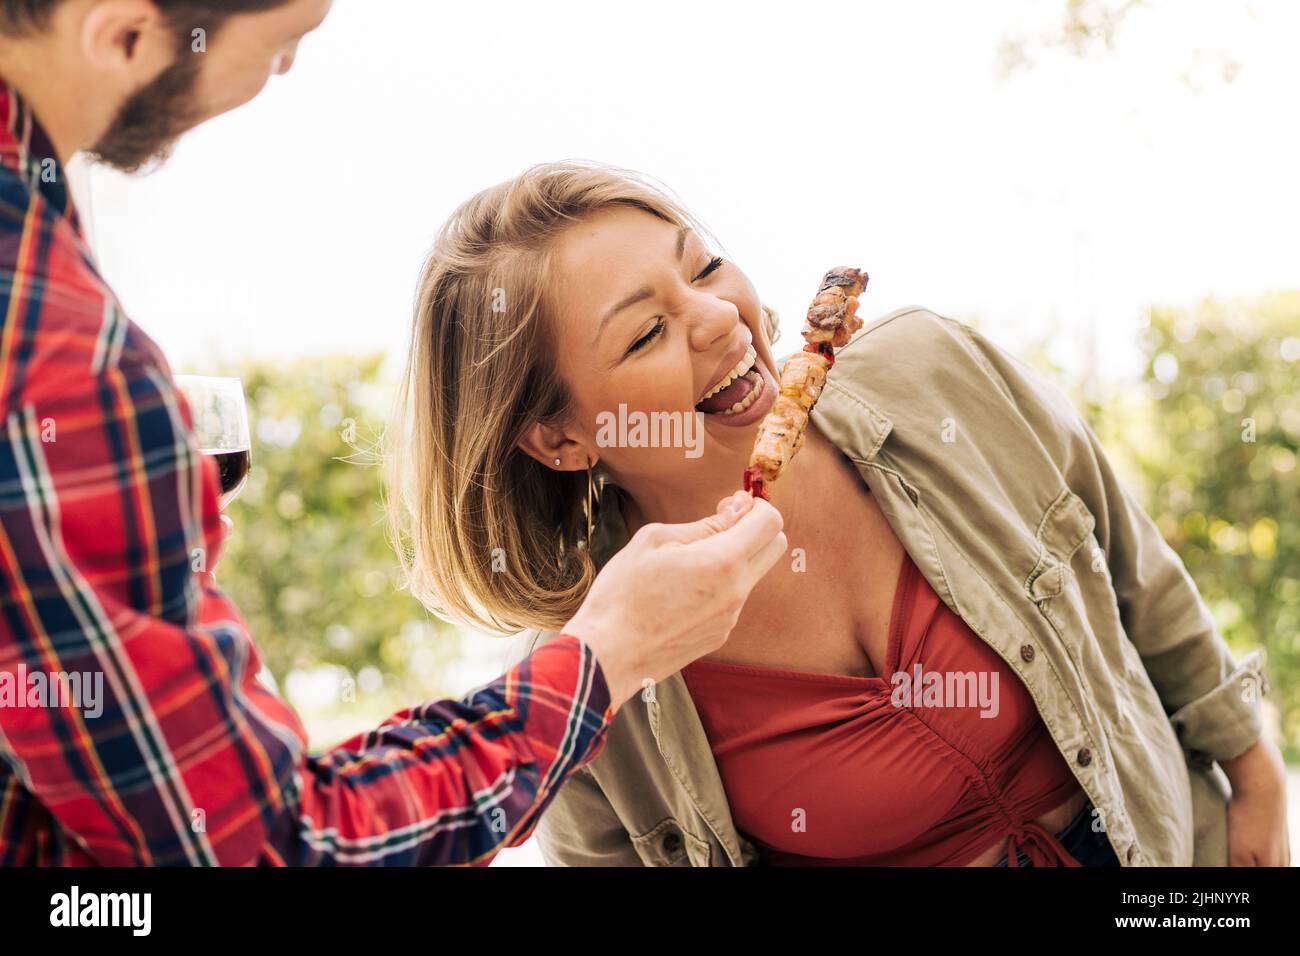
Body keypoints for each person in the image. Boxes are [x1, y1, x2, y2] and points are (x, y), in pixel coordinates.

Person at [0, 0, 786, 866]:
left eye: (703, 263)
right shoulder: (55, 349)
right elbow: (269, 849)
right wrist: (603, 658)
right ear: (122, 32)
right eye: (286, 41)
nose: (288, 69)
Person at [385, 158, 1290, 867]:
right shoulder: (588, 690)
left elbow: (1134, 573)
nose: (718, 318)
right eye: (645, 332)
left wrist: (1254, 775)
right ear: (560, 439)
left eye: (701, 266)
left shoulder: (937, 374)